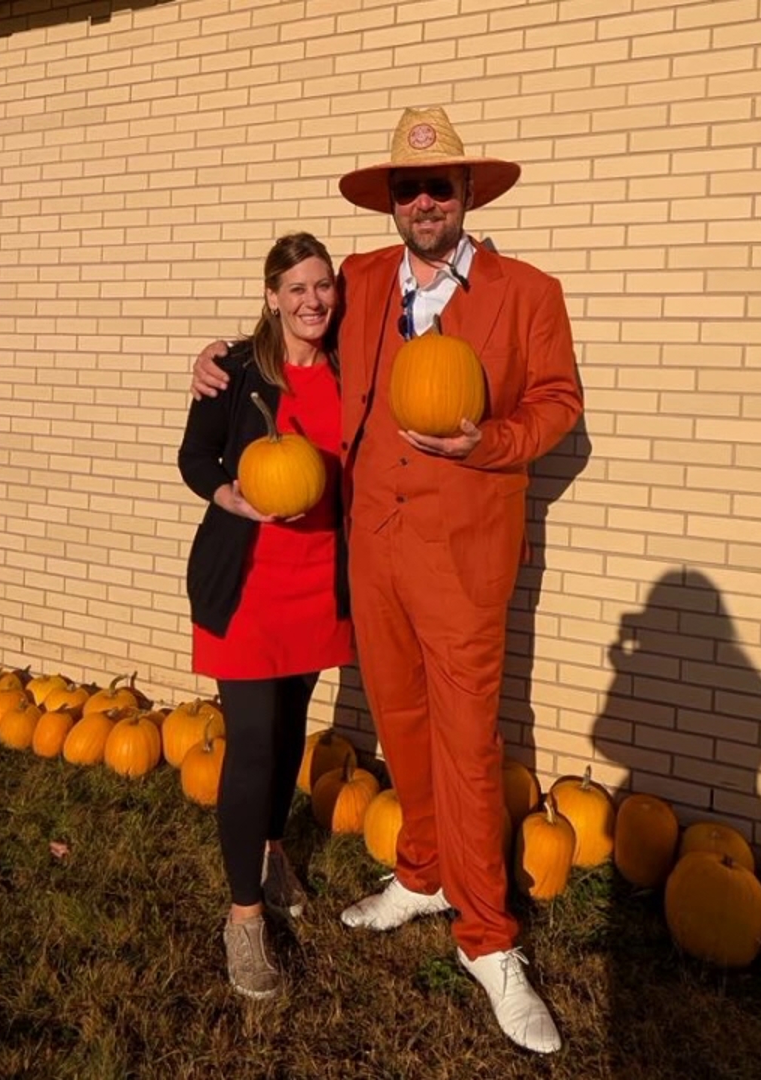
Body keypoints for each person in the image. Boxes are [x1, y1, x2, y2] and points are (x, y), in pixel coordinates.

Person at [190, 107, 584, 1053]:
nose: (422, 202)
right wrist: (214, 357)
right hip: (368, 555)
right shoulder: (363, 280)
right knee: (399, 720)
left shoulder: (528, 292)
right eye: (407, 190)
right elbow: (293, 321)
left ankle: (488, 938)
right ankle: (420, 872)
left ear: (467, 195)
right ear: (393, 205)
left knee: (465, 736)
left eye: (438, 187)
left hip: (462, 556)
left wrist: (488, 440)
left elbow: (560, 403)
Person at [177, 232, 353, 1001]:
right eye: (298, 289)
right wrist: (230, 496)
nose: (313, 301)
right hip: (247, 587)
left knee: (287, 733)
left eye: (324, 286)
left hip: (321, 586)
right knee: (250, 745)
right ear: (272, 297)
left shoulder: (355, 371)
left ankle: (273, 851)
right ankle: (243, 919)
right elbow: (195, 457)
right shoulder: (239, 372)